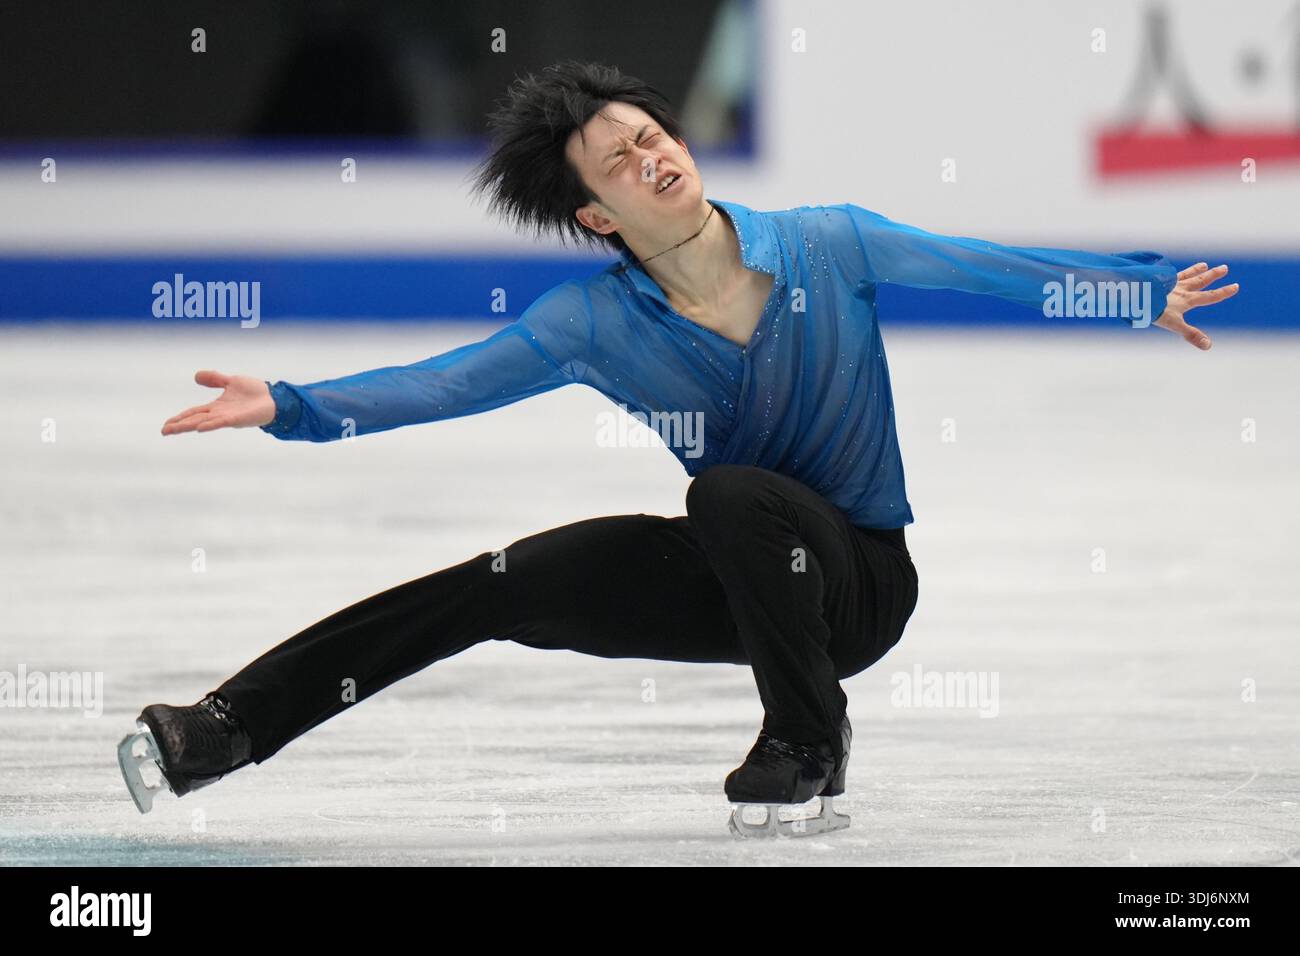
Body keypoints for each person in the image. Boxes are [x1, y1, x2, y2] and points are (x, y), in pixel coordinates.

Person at [118, 61, 1239, 836]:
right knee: (496, 582)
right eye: (618, 163)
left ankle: (806, 738)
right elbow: (446, 383)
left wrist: (1136, 294)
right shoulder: (588, 320)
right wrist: (296, 402)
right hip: (733, 578)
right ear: (598, 215)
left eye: (652, 137)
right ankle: (226, 727)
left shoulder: (827, 244)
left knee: (732, 494)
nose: (651, 159)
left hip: (858, 586)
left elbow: (980, 263)